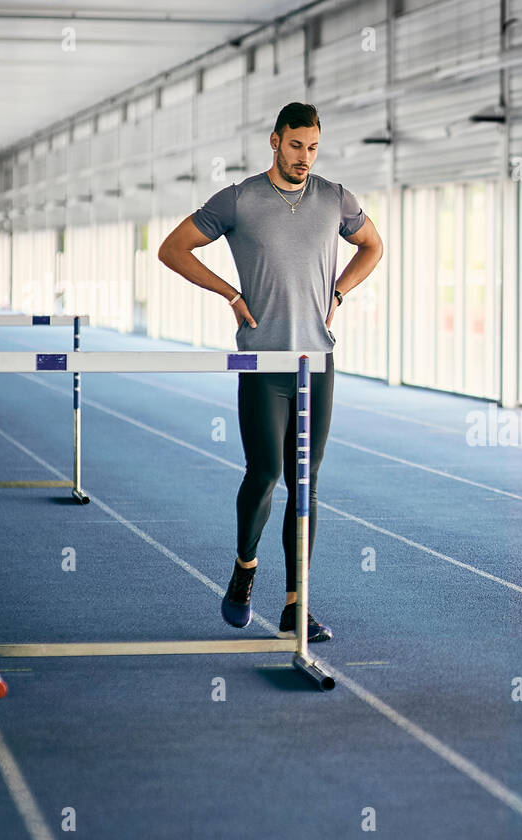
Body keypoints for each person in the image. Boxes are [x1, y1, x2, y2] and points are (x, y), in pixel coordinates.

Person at [158, 102, 383, 641]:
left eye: (313, 148)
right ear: (275, 141)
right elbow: (174, 249)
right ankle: (244, 569)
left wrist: (340, 291)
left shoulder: (335, 198)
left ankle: (295, 605)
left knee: (305, 483)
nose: (304, 157)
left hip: (317, 364)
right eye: (296, 145)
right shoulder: (238, 199)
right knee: (265, 475)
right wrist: (230, 293)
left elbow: (372, 245)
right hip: (262, 361)